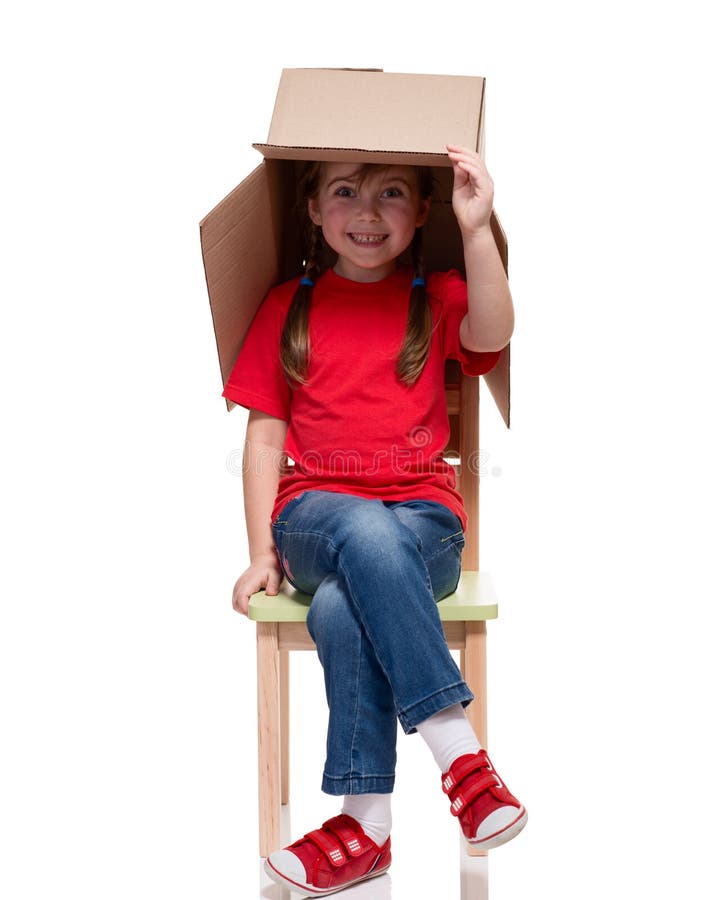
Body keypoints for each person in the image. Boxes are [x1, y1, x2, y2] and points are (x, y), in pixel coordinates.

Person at [223, 145, 526, 896]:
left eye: (390, 193)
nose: (366, 211)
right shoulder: (285, 306)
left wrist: (478, 227)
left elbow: (492, 334)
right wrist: (261, 550)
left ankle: (365, 827)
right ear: (311, 208)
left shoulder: (440, 295)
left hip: (424, 523)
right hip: (313, 519)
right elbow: (263, 438)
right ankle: (460, 754)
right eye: (345, 192)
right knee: (360, 531)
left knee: (341, 600)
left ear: (420, 212)